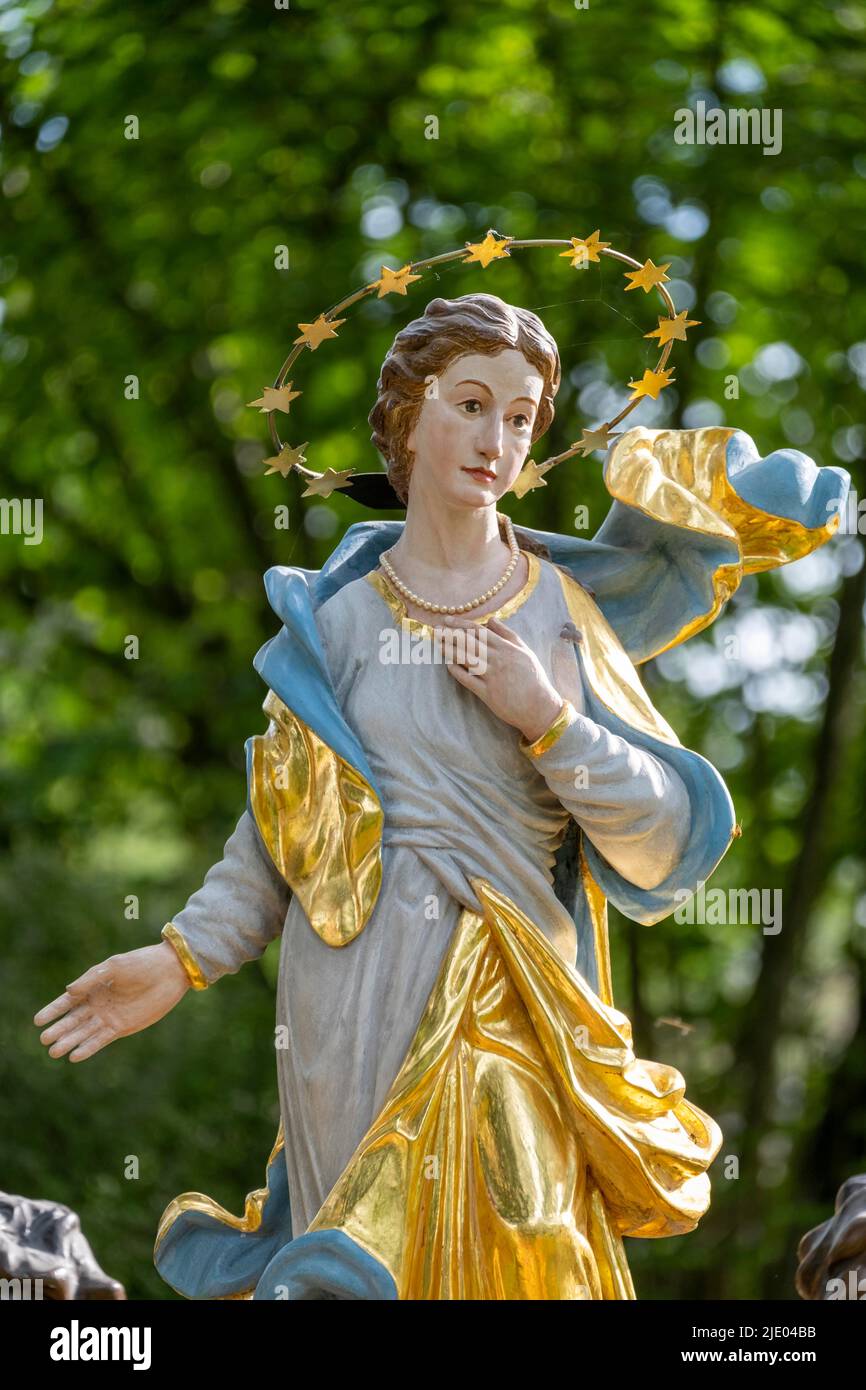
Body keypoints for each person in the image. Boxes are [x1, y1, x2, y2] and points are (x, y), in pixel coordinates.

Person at [33, 293, 848, 1300]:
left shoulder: (557, 608)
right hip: (352, 997)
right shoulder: (335, 626)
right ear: (406, 420)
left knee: (528, 1236)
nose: (496, 439)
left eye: (519, 418)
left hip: (517, 982)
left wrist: (547, 715)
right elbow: (280, 837)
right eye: (470, 405)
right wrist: (179, 955)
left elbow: (660, 839)